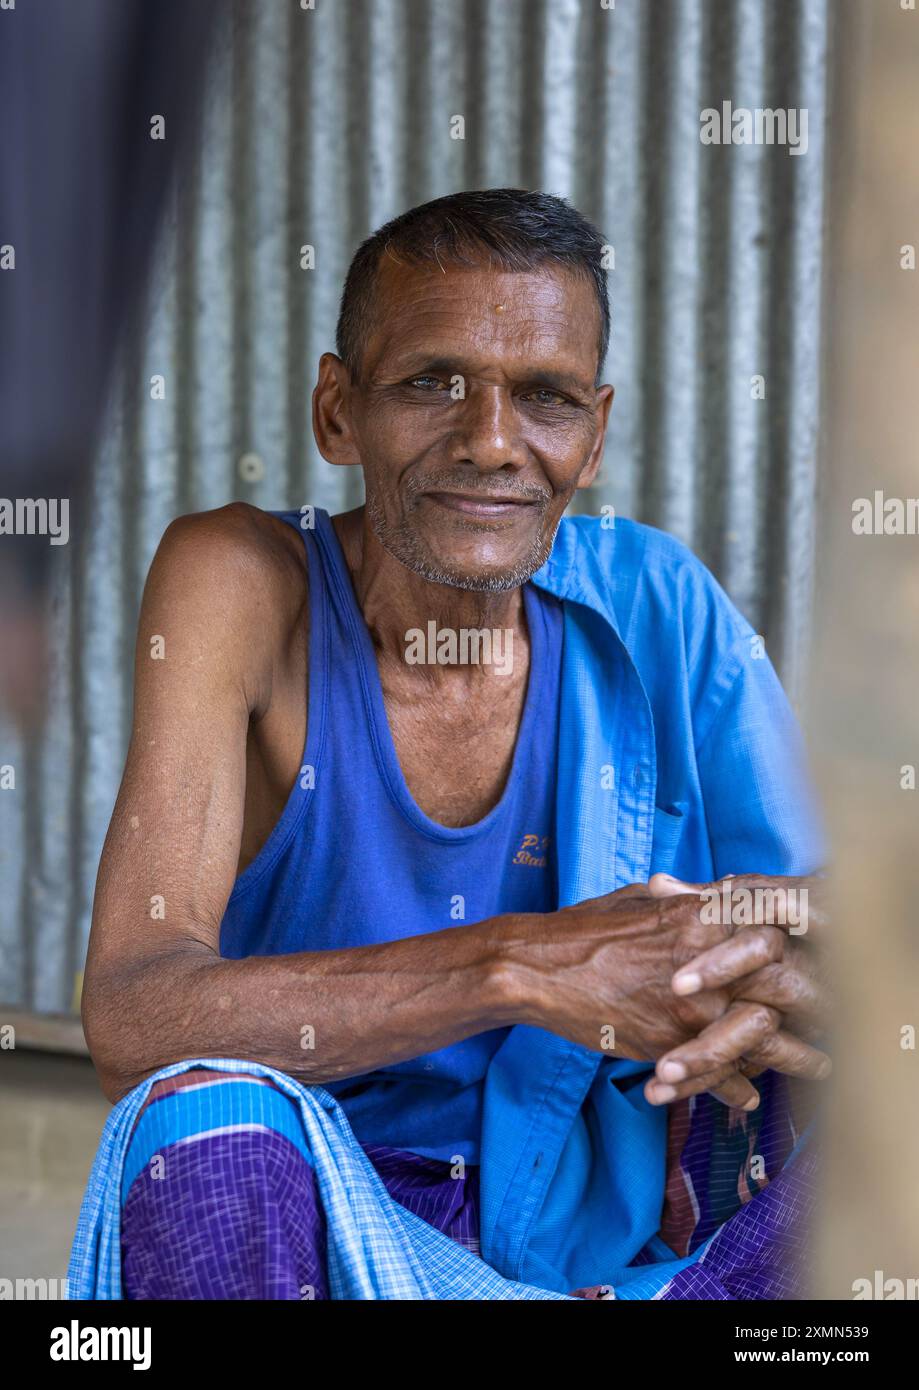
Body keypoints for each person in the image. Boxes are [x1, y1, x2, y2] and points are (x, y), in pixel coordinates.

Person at [70, 189, 830, 1301]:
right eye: (434, 382)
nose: (489, 441)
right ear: (337, 412)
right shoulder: (237, 581)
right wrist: (522, 964)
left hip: (595, 1236)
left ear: (595, 432)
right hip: (320, 1216)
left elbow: (829, 910)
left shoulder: (659, 600)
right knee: (204, 1123)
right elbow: (136, 1011)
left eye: (545, 397)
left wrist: (768, 954)